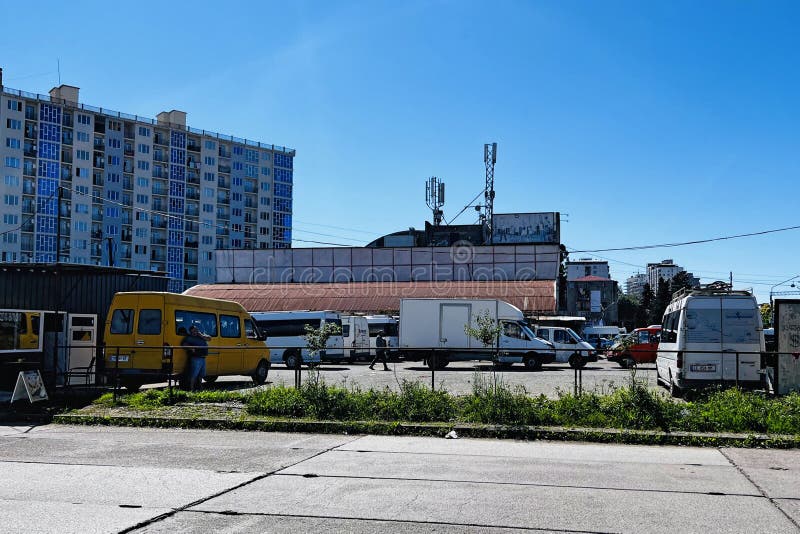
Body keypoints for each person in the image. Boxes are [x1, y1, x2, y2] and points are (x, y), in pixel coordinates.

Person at [182, 324, 210, 391]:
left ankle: (199, 387)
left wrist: (202, 336)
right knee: (194, 374)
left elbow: (209, 338)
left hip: (203, 357)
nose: (195, 332)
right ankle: (191, 388)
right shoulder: (189, 338)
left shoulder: (201, 335)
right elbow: (183, 345)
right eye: (193, 331)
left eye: (196, 330)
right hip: (196, 358)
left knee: (201, 374)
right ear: (190, 332)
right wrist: (191, 348)